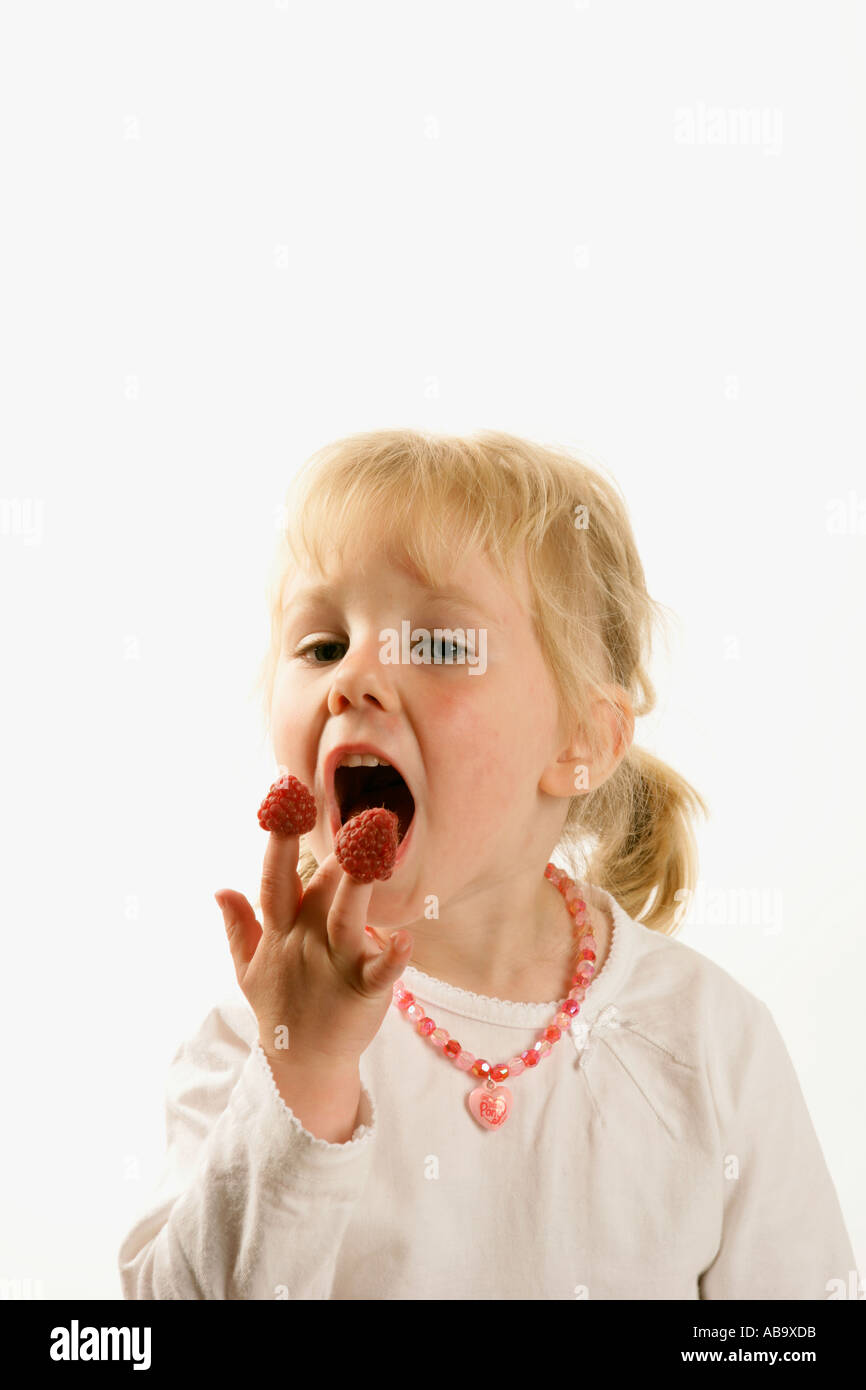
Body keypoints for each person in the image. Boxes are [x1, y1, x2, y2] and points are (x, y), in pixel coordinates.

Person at [117, 428, 856, 1299]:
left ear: (581, 741)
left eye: (436, 646)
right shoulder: (254, 1036)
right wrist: (306, 1069)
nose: (354, 678)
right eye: (321, 645)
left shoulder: (710, 1040)